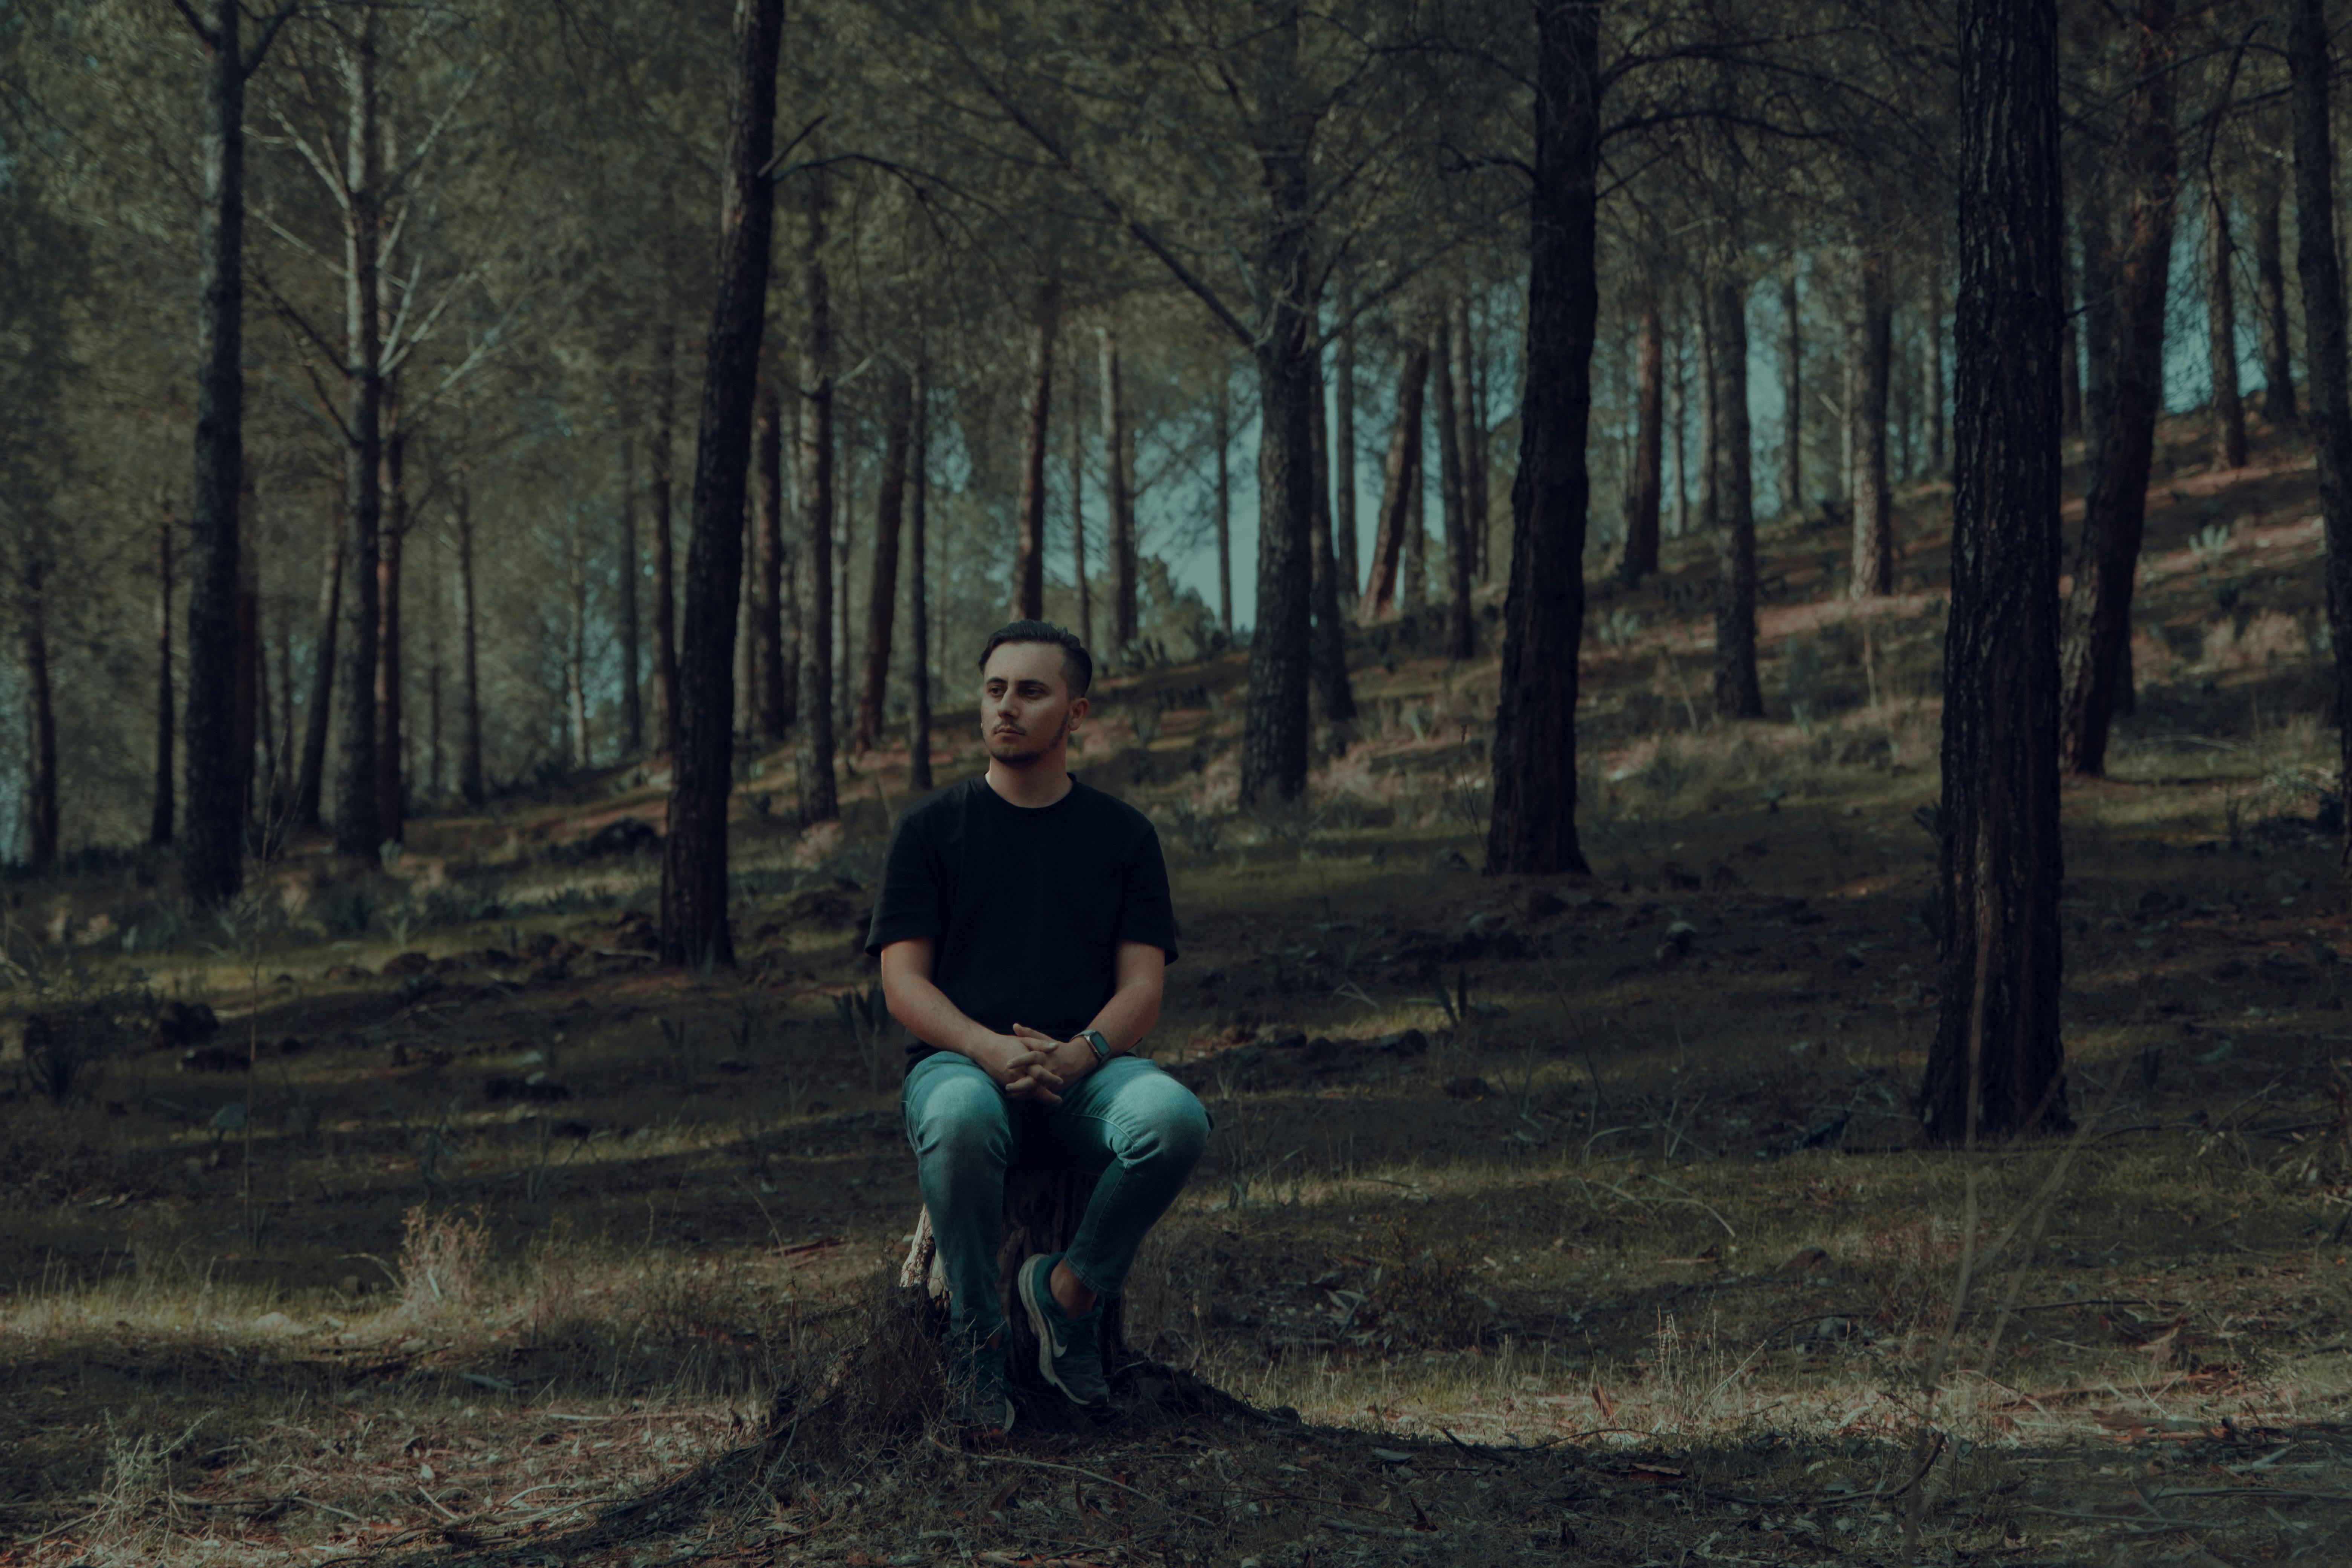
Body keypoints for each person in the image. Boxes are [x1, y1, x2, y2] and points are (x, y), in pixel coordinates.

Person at [867, 620, 1210, 1430]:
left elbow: (1143, 990)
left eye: (1031, 690)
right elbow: (901, 984)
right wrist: (987, 1047)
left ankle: (1068, 1295)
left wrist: (1082, 1053)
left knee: (1174, 1118)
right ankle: (978, 1337)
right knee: (954, 1115)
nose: (1007, 707)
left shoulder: (1123, 836)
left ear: (1077, 711)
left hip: (1084, 1079)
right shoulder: (930, 830)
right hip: (961, 1069)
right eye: (995, 690)